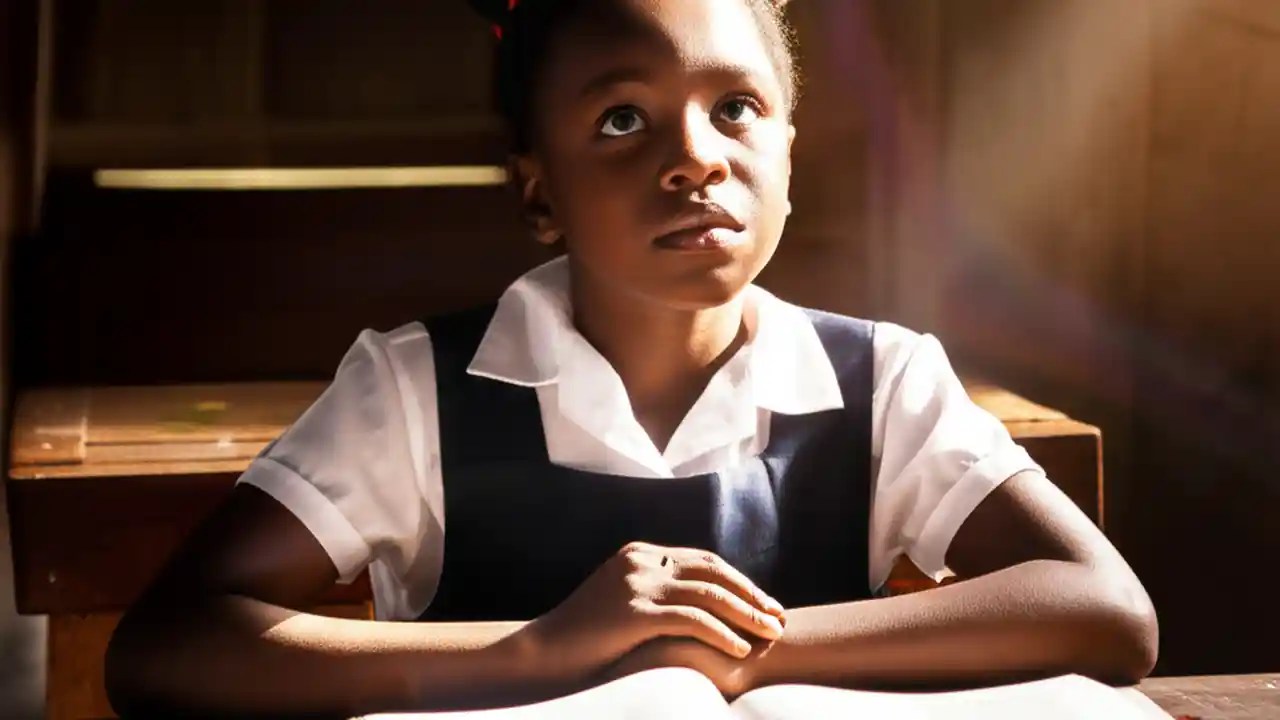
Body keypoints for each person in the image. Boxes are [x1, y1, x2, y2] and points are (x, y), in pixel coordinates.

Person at [104, 0, 1158, 716]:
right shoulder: (414, 389)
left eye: (736, 109)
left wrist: (750, 648)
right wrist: (541, 651)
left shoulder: (878, 380)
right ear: (537, 192)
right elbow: (165, 650)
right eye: (621, 119)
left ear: (787, 155)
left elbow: (1104, 613)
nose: (697, 155)